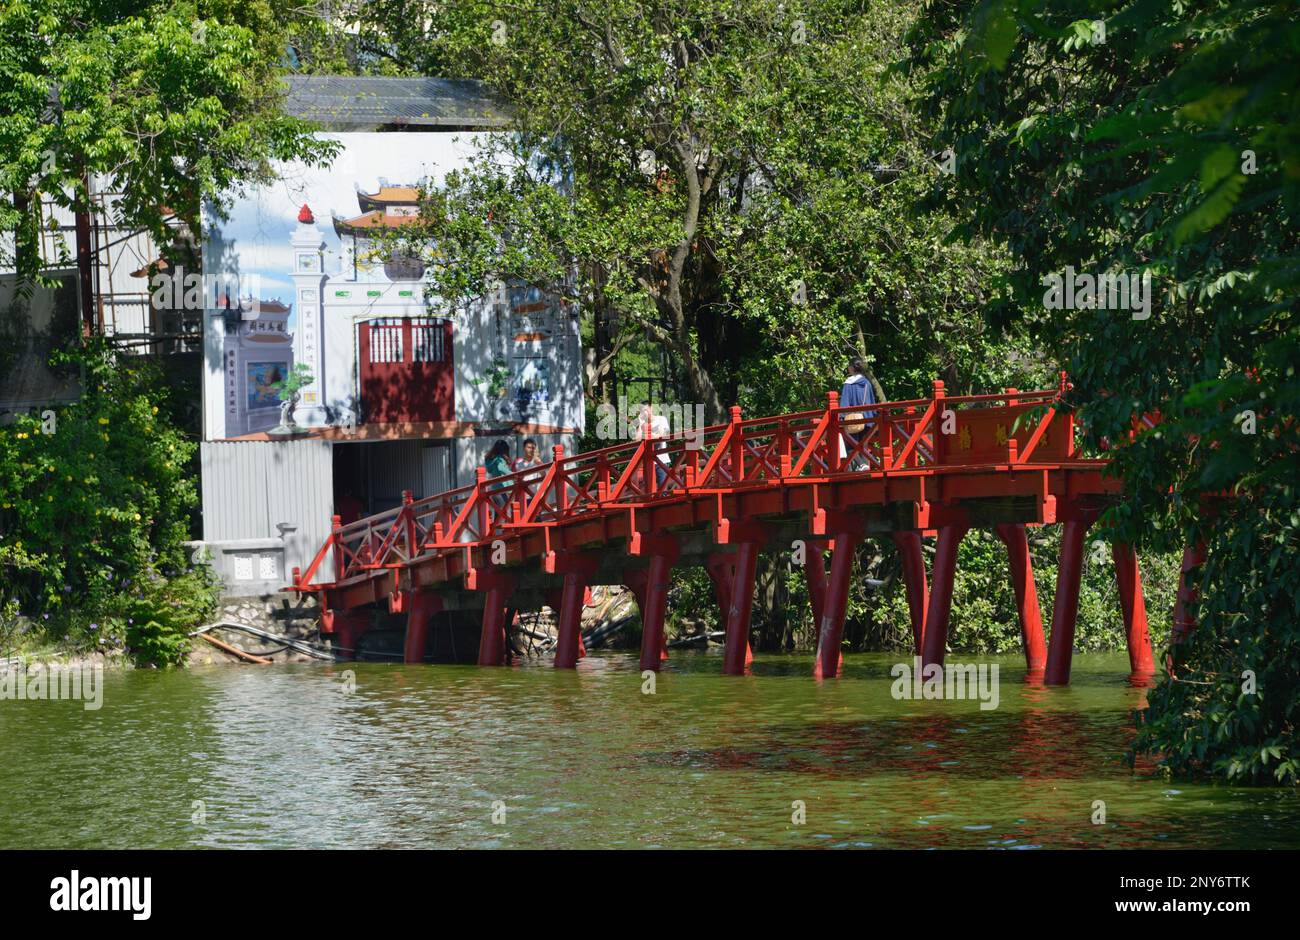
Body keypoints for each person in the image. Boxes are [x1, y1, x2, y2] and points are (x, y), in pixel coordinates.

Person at [840, 359, 877, 469]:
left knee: (850, 444)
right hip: (866, 417)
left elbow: (845, 403)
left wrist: (842, 417)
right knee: (863, 444)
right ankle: (865, 465)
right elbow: (872, 402)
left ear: (852, 368)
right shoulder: (867, 383)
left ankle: (861, 464)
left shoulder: (849, 384)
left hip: (852, 418)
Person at [632, 402, 671, 491]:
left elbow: (662, 435)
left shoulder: (661, 419)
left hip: (661, 460)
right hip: (647, 462)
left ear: (651, 409)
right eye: (642, 411)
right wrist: (641, 425)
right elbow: (637, 440)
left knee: (663, 489)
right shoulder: (642, 425)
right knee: (649, 491)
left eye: (645, 410)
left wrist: (649, 436)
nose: (644, 413)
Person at [484, 439, 513, 512]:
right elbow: (501, 468)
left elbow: (490, 470)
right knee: (506, 513)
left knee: (499, 513)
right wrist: (513, 475)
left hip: (495, 491)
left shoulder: (492, 460)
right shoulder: (499, 459)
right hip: (502, 490)